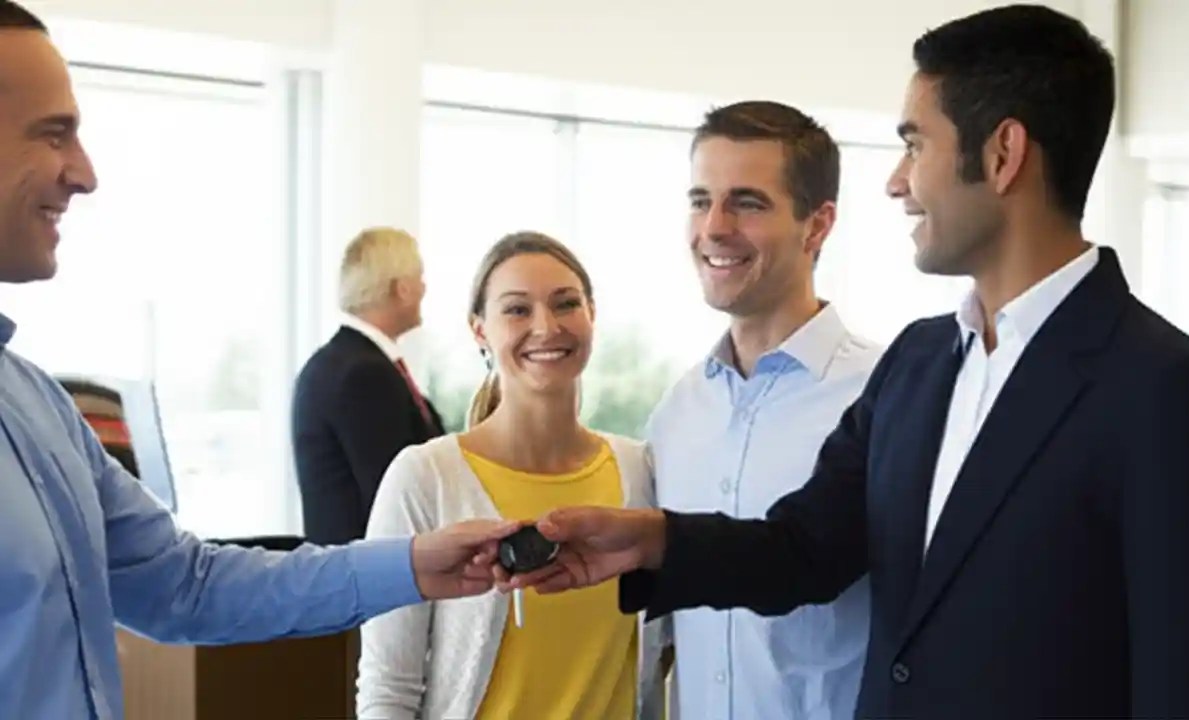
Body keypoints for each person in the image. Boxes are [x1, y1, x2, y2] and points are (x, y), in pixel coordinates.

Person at [502, 5, 1189, 719]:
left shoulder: (1172, 391)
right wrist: (652, 539)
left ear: (1003, 154)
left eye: (914, 144)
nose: (896, 182)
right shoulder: (921, 362)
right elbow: (806, 550)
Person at [0, 5, 518, 719]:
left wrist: (413, 563)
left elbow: (189, 585)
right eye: (54, 134)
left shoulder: (38, 405)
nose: (84, 176)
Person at [356, 232, 665, 720]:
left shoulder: (641, 471)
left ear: (592, 316)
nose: (546, 326)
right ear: (480, 330)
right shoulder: (426, 479)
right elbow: (387, 688)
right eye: (517, 310)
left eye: (566, 304)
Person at [647, 100, 880, 720]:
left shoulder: (881, 398)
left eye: (747, 203)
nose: (714, 227)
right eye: (701, 200)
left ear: (818, 225)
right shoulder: (676, 414)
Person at [292, 226, 445, 545]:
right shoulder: (363, 374)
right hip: (373, 581)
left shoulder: (336, 363)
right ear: (402, 288)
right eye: (420, 277)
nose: (425, 287)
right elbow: (396, 496)